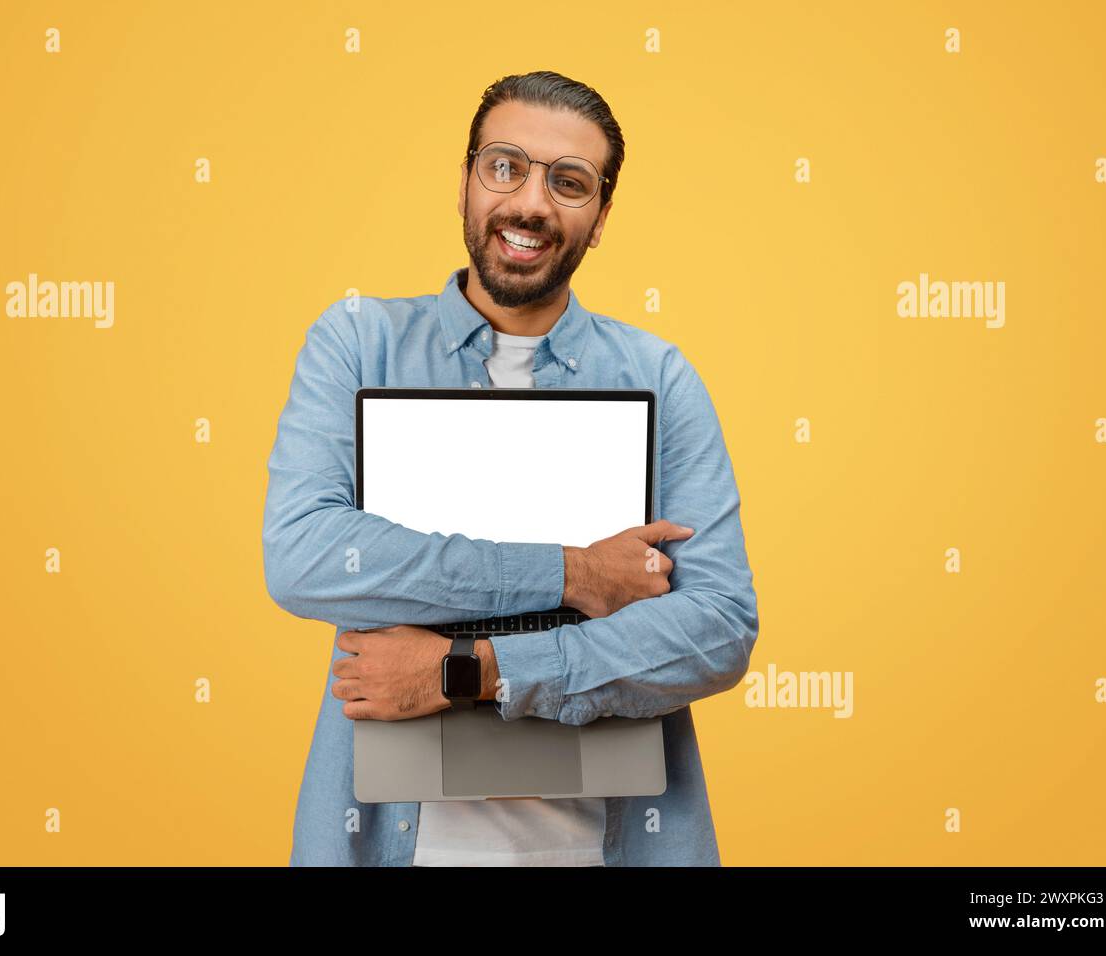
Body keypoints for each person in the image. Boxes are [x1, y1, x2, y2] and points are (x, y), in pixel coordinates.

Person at [262, 70, 759, 866]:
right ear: (464, 181)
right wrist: (575, 574)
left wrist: (471, 671)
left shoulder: (658, 376)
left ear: (598, 219)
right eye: (505, 166)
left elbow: (719, 628)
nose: (530, 203)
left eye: (569, 183)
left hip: (614, 842)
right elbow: (305, 557)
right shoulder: (358, 343)